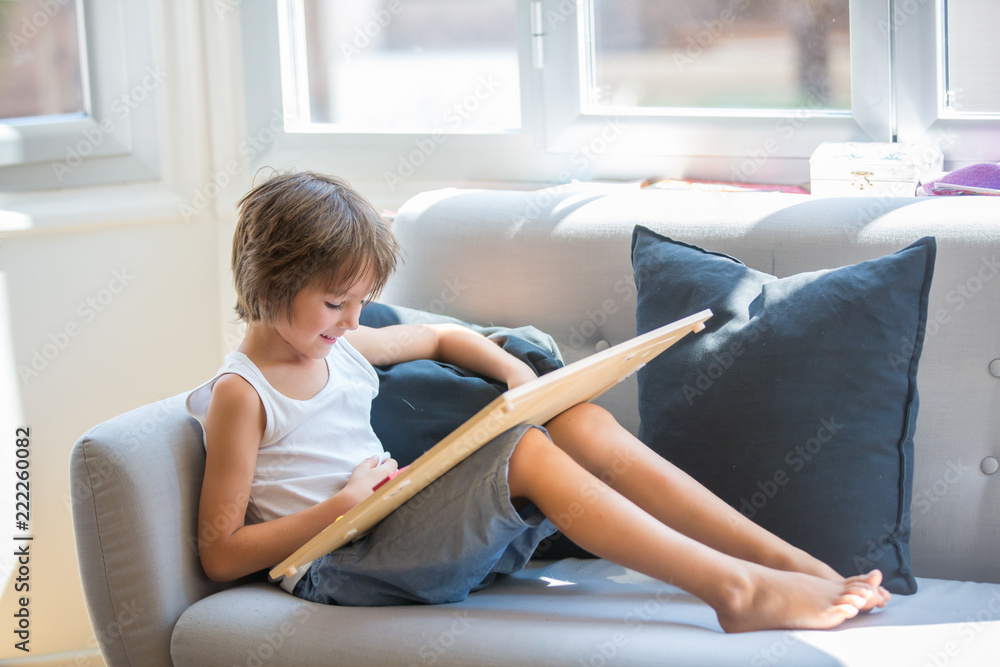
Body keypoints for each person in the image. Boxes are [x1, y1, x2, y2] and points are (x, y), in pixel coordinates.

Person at [186, 170, 890, 633]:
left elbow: (435, 337)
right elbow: (220, 553)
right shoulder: (242, 396)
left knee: (575, 419)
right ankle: (735, 591)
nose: (349, 320)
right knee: (525, 454)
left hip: (393, 527)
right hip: (343, 565)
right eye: (334, 303)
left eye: (360, 303)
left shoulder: (340, 346)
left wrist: (514, 377)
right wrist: (338, 509)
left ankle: (787, 561)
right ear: (270, 281)